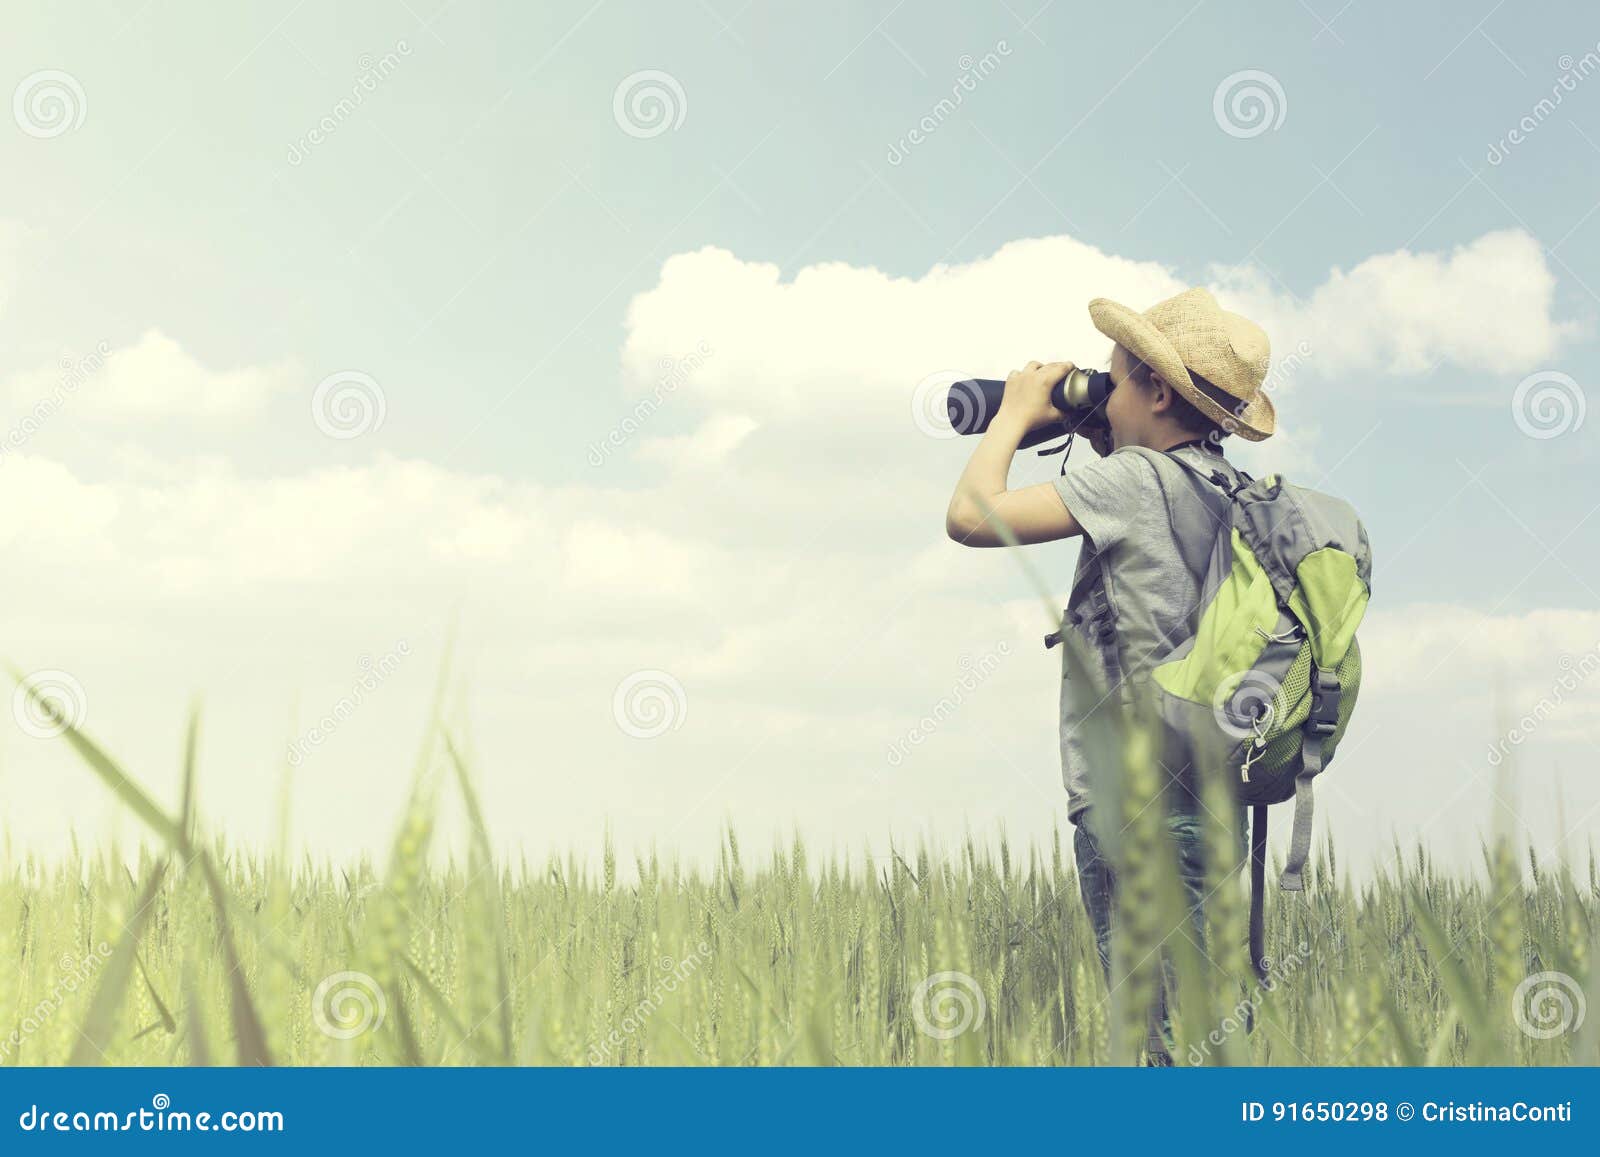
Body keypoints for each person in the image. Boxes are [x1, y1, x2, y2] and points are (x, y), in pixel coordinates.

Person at [943, 286, 1277, 1062]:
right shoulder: (1232, 492)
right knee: (1203, 1036)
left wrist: (1016, 413)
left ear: (1158, 390)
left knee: (1156, 1047)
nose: (1104, 385)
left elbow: (970, 515)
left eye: (1116, 374)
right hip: (1213, 799)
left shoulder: (1132, 484)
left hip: (1133, 808)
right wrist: (1103, 420)